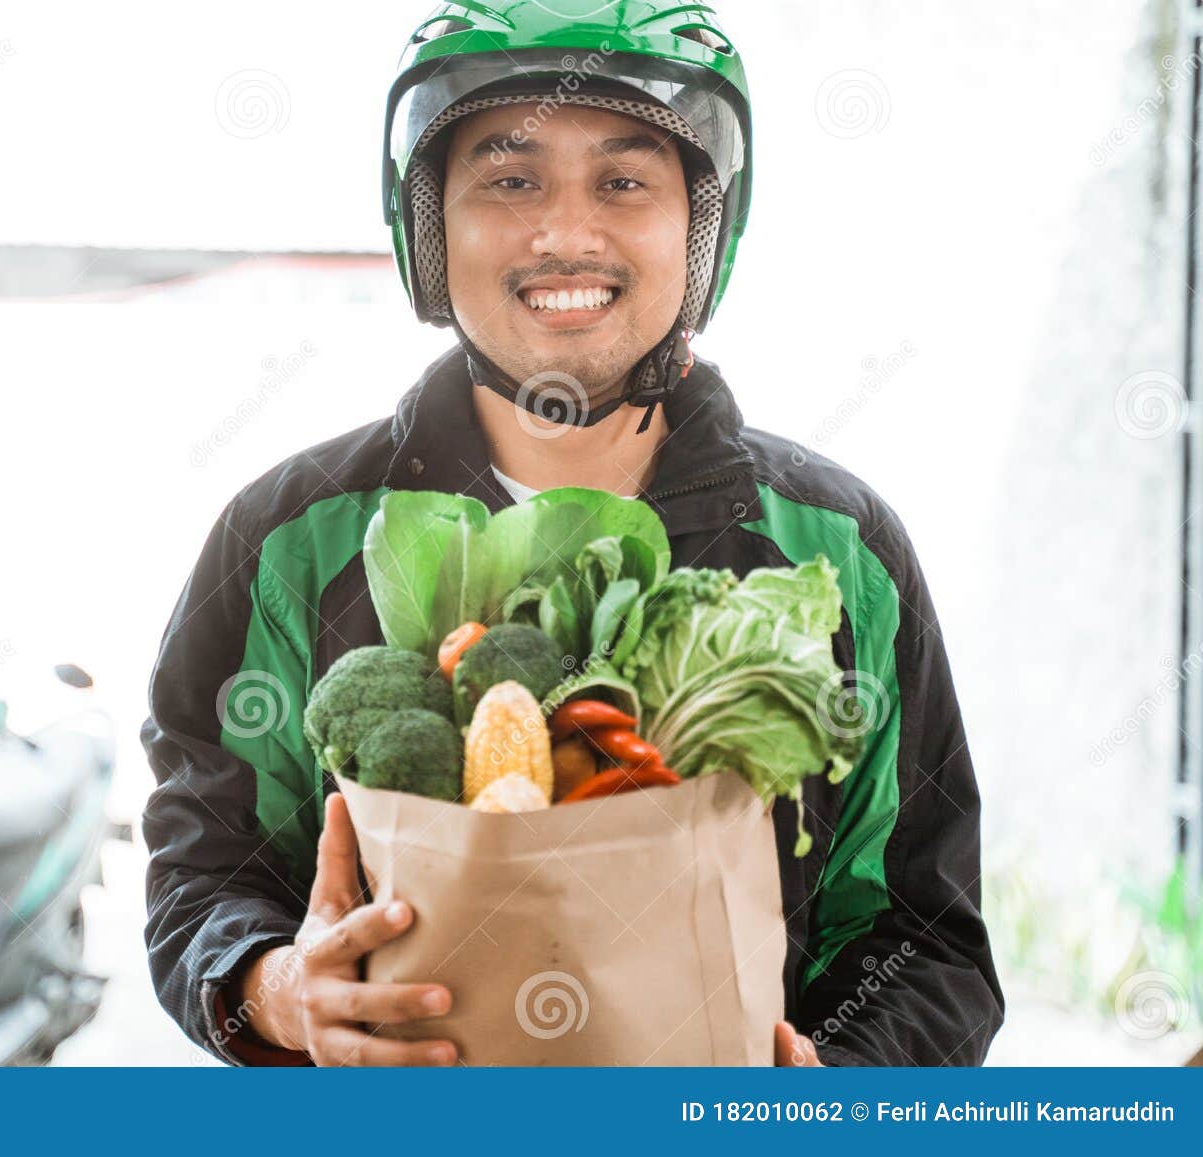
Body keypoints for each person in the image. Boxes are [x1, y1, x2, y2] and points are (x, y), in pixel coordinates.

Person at [141, 0, 1003, 1066]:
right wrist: (275, 992)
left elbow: (929, 940)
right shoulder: (287, 538)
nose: (563, 233)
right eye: (509, 179)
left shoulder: (839, 549)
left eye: (623, 180)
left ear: (700, 224)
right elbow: (203, 875)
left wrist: (839, 1091)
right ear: (429, 225)